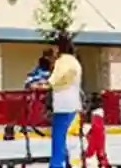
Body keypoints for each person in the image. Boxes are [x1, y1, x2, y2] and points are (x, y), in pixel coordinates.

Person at [46, 36, 83, 168]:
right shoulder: (74, 61)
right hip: (73, 106)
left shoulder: (63, 61)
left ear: (58, 47)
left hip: (64, 107)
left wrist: (43, 84)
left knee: (59, 142)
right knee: (69, 142)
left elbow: (55, 80)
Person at [6, 52, 52, 140]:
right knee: (24, 110)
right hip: (35, 98)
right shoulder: (37, 72)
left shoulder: (49, 73)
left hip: (42, 100)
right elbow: (31, 84)